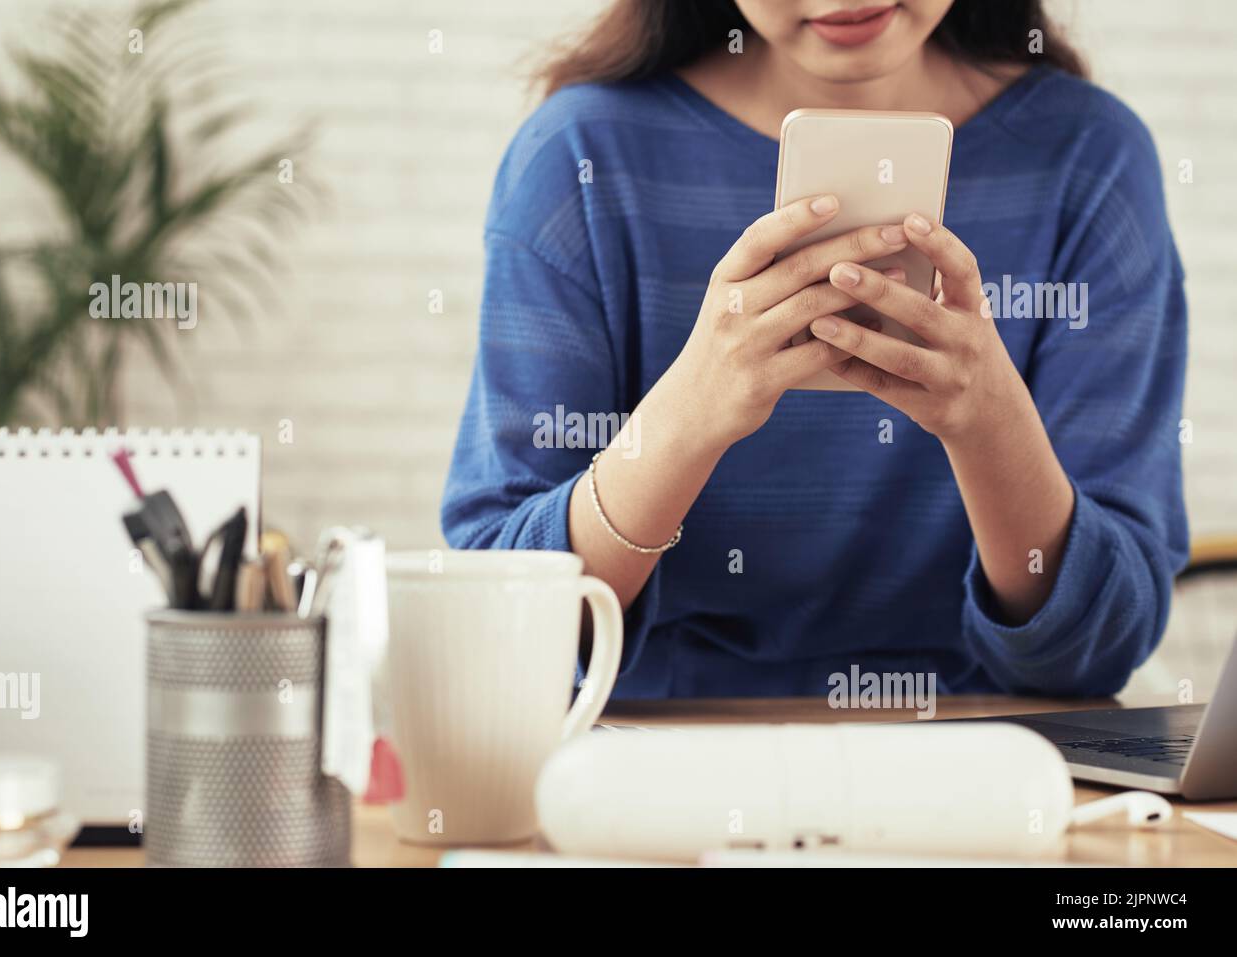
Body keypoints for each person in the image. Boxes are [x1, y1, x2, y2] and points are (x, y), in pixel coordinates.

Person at [442, 0, 1189, 699]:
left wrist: (989, 424)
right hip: (656, 774)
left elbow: (1096, 649)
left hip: (987, 771)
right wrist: (688, 418)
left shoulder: (1090, 159)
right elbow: (495, 626)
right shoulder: (578, 158)